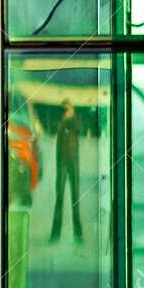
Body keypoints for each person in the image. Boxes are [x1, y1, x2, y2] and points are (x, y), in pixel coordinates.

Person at [49, 98, 84, 243]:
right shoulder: (60, 121)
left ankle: (78, 233)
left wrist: (72, 115)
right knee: (60, 198)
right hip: (62, 162)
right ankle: (55, 234)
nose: (65, 111)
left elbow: (79, 129)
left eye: (67, 108)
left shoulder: (75, 120)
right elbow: (53, 131)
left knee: (75, 197)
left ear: (71, 108)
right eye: (64, 109)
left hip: (73, 161)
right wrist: (63, 119)